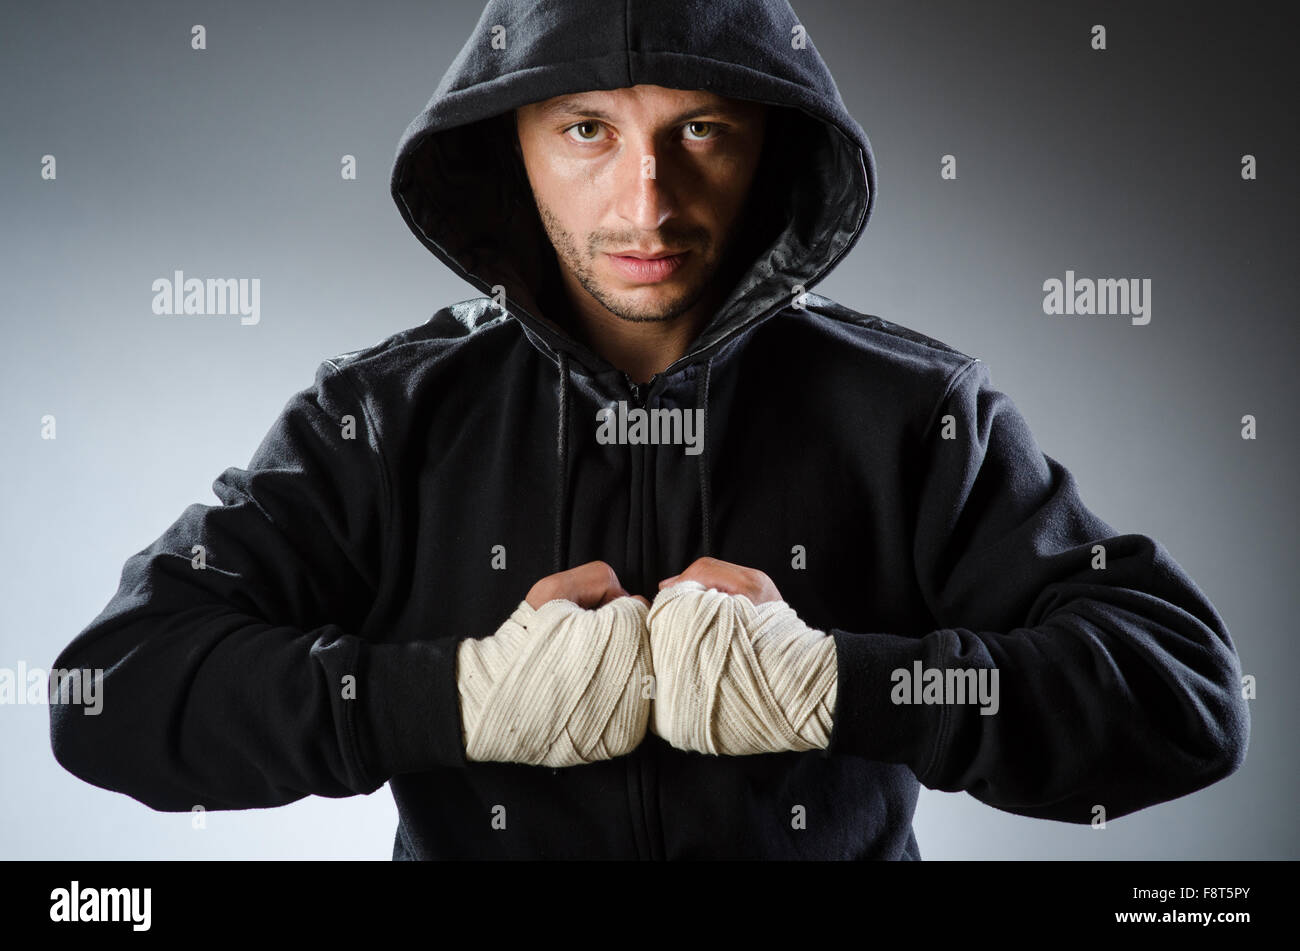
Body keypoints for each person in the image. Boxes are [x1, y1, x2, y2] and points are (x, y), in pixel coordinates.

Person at [49, 0, 1249, 860]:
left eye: (703, 129)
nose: (647, 203)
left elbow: (1187, 701)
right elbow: (109, 692)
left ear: (770, 138)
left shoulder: (914, 413)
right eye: (586, 131)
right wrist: (456, 699)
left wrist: (841, 686)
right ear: (508, 143)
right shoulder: (377, 418)